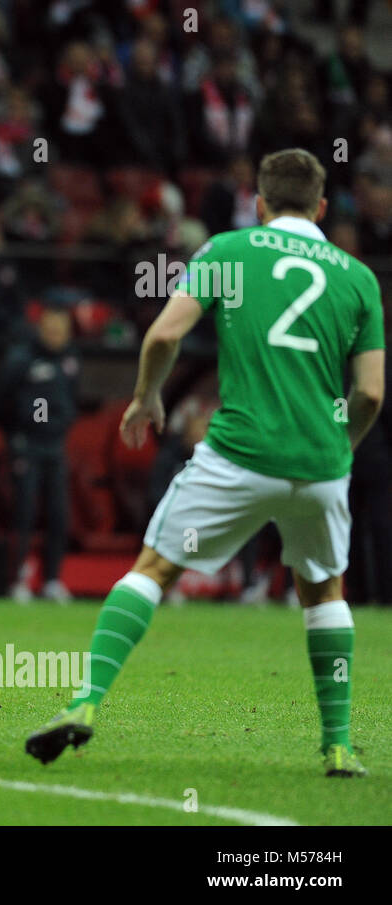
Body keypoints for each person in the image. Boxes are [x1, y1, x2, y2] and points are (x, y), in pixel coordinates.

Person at [25, 149, 385, 777]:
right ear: (323, 208)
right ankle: (338, 744)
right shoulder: (359, 278)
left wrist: (146, 397)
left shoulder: (229, 251)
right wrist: (340, 446)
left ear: (261, 204)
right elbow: (373, 391)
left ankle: (84, 704)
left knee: (154, 569)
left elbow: (164, 334)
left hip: (239, 453)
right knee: (324, 590)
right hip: (321, 465)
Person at [2, 306, 79, 603]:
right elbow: (3, 400)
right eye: (50, 329)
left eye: (60, 330)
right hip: (27, 445)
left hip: (56, 446)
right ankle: (17, 578)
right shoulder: (20, 359)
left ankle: (51, 580)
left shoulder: (71, 360)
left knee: (59, 514)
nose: (55, 336)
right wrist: (16, 437)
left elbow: (73, 397)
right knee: (24, 513)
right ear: (40, 329)